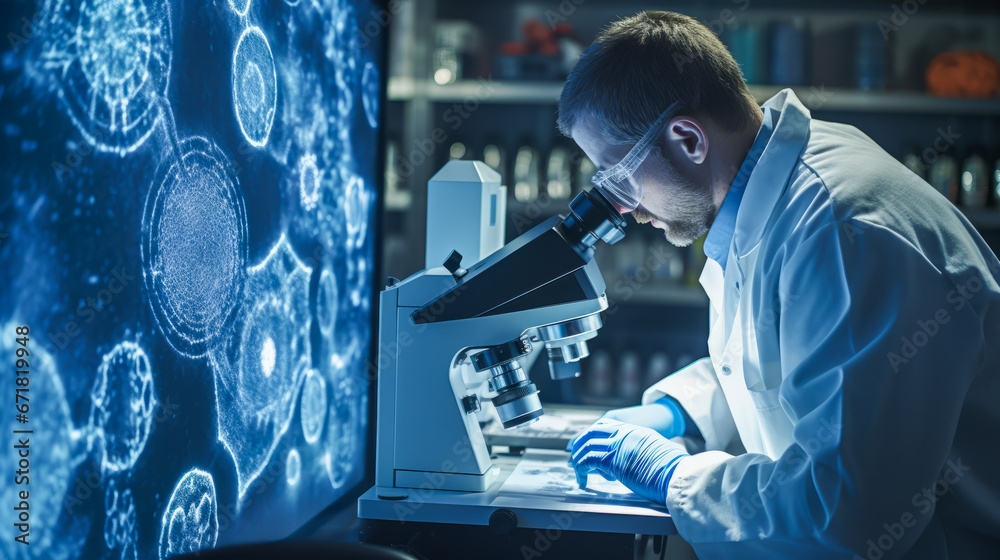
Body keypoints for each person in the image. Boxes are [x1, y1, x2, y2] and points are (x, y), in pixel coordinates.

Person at [562, 11, 1000, 559]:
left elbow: (845, 514)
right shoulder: (770, 189)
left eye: (618, 175)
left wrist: (673, 475)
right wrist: (681, 409)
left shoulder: (844, 232)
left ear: (687, 139)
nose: (622, 207)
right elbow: (789, 364)